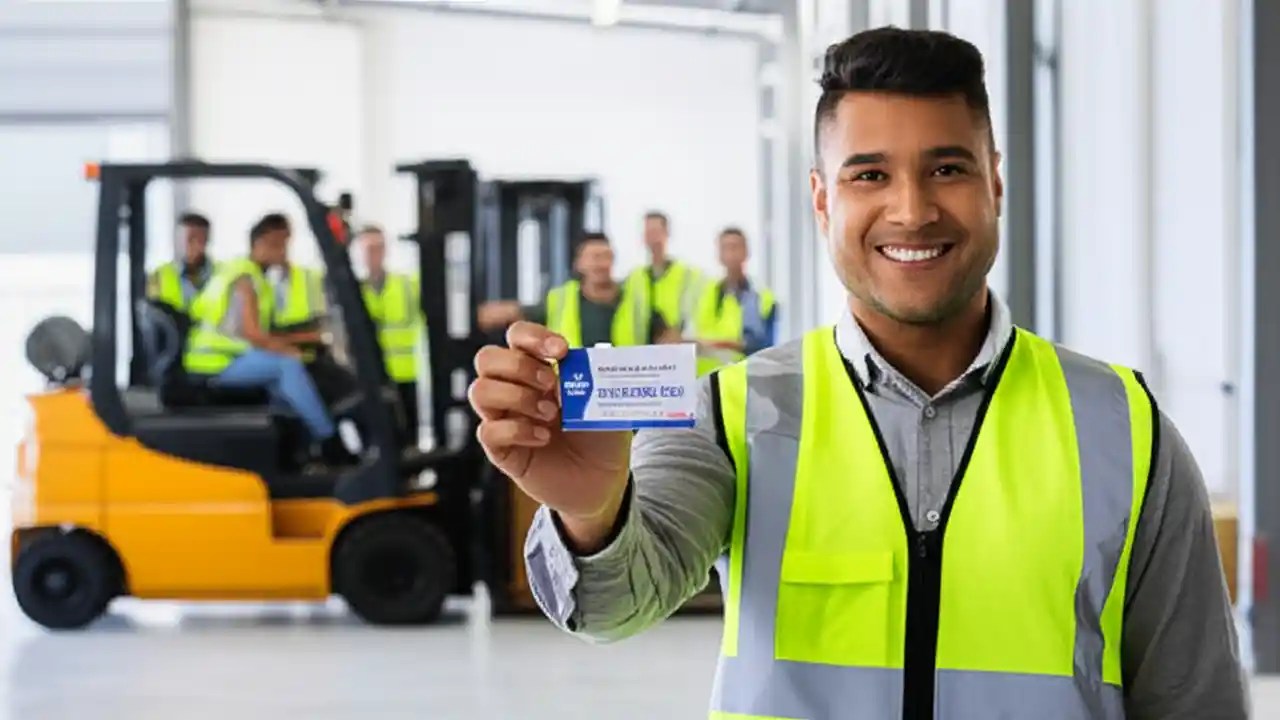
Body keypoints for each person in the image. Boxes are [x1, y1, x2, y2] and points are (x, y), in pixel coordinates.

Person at [468, 27, 1248, 719]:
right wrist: (593, 515)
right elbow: (616, 607)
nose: (911, 211)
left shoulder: (1121, 425)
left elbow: (1195, 699)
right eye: (868, 175)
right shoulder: (734, 412)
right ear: (820, 198)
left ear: (996, 182)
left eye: (947, 168)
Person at [184, 213, 355, 466]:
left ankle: (296, 450)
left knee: (282, 385)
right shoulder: (246, 279)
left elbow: (257, 332)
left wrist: (295, 342)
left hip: (224, 356)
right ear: (263, 243)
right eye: (280, 245)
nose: (284, 253)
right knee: (287, 366)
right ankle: (331, 442)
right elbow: (253, 334)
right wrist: (289, 351)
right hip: (214, 363)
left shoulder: (246, 272)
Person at [476, 232, 660, 347]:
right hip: (574, 392)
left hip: (625, 395)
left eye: (607, 256)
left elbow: (669, 339)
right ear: (578, 264)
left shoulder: (637, 301)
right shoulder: (560, 300)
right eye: (595, 257)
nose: (602, 264)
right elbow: (516, 313)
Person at [356, 225, 424, 433]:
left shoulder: (407, 284)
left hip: (404, 373)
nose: (375, 254)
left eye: (379, 248)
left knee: (408, 431)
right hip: (369, 375)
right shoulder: (353, 291)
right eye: (369, 249)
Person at [691, 227, 777, 375]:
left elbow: (756, 344)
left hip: (741, 380)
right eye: (725, 248)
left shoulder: (758, 297)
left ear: (746, 252)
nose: (730, 254)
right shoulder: (705, 293)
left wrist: (711, 345)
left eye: (735, 248)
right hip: (706, 382)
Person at [621, 211, 704, 342]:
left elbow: (696, 316)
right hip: (641, 353)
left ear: (667, 233)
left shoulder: (689, 276)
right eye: (648, 233)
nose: (652, 238)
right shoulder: (634, 278)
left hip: (676, 350)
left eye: (656, 232)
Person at [146, 212, 215, 314]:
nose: (188, 245)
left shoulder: (219, 276)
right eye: (183, 238)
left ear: (206, 241)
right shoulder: (158, 276)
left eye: (195, 239)